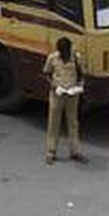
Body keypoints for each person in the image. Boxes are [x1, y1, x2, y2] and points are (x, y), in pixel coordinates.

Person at [44, 37, 88, 165]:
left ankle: (74, 151)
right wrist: (54, 86)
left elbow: (82, 74)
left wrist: (80, 86)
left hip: (72, 94)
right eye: (62, 52)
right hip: (57, 94)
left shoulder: (76, 58)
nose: (65, 55)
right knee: (53, 123)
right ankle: (51, 152)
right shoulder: (52, 58)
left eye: (66, 52)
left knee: (73, 122)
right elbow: (46, 74)